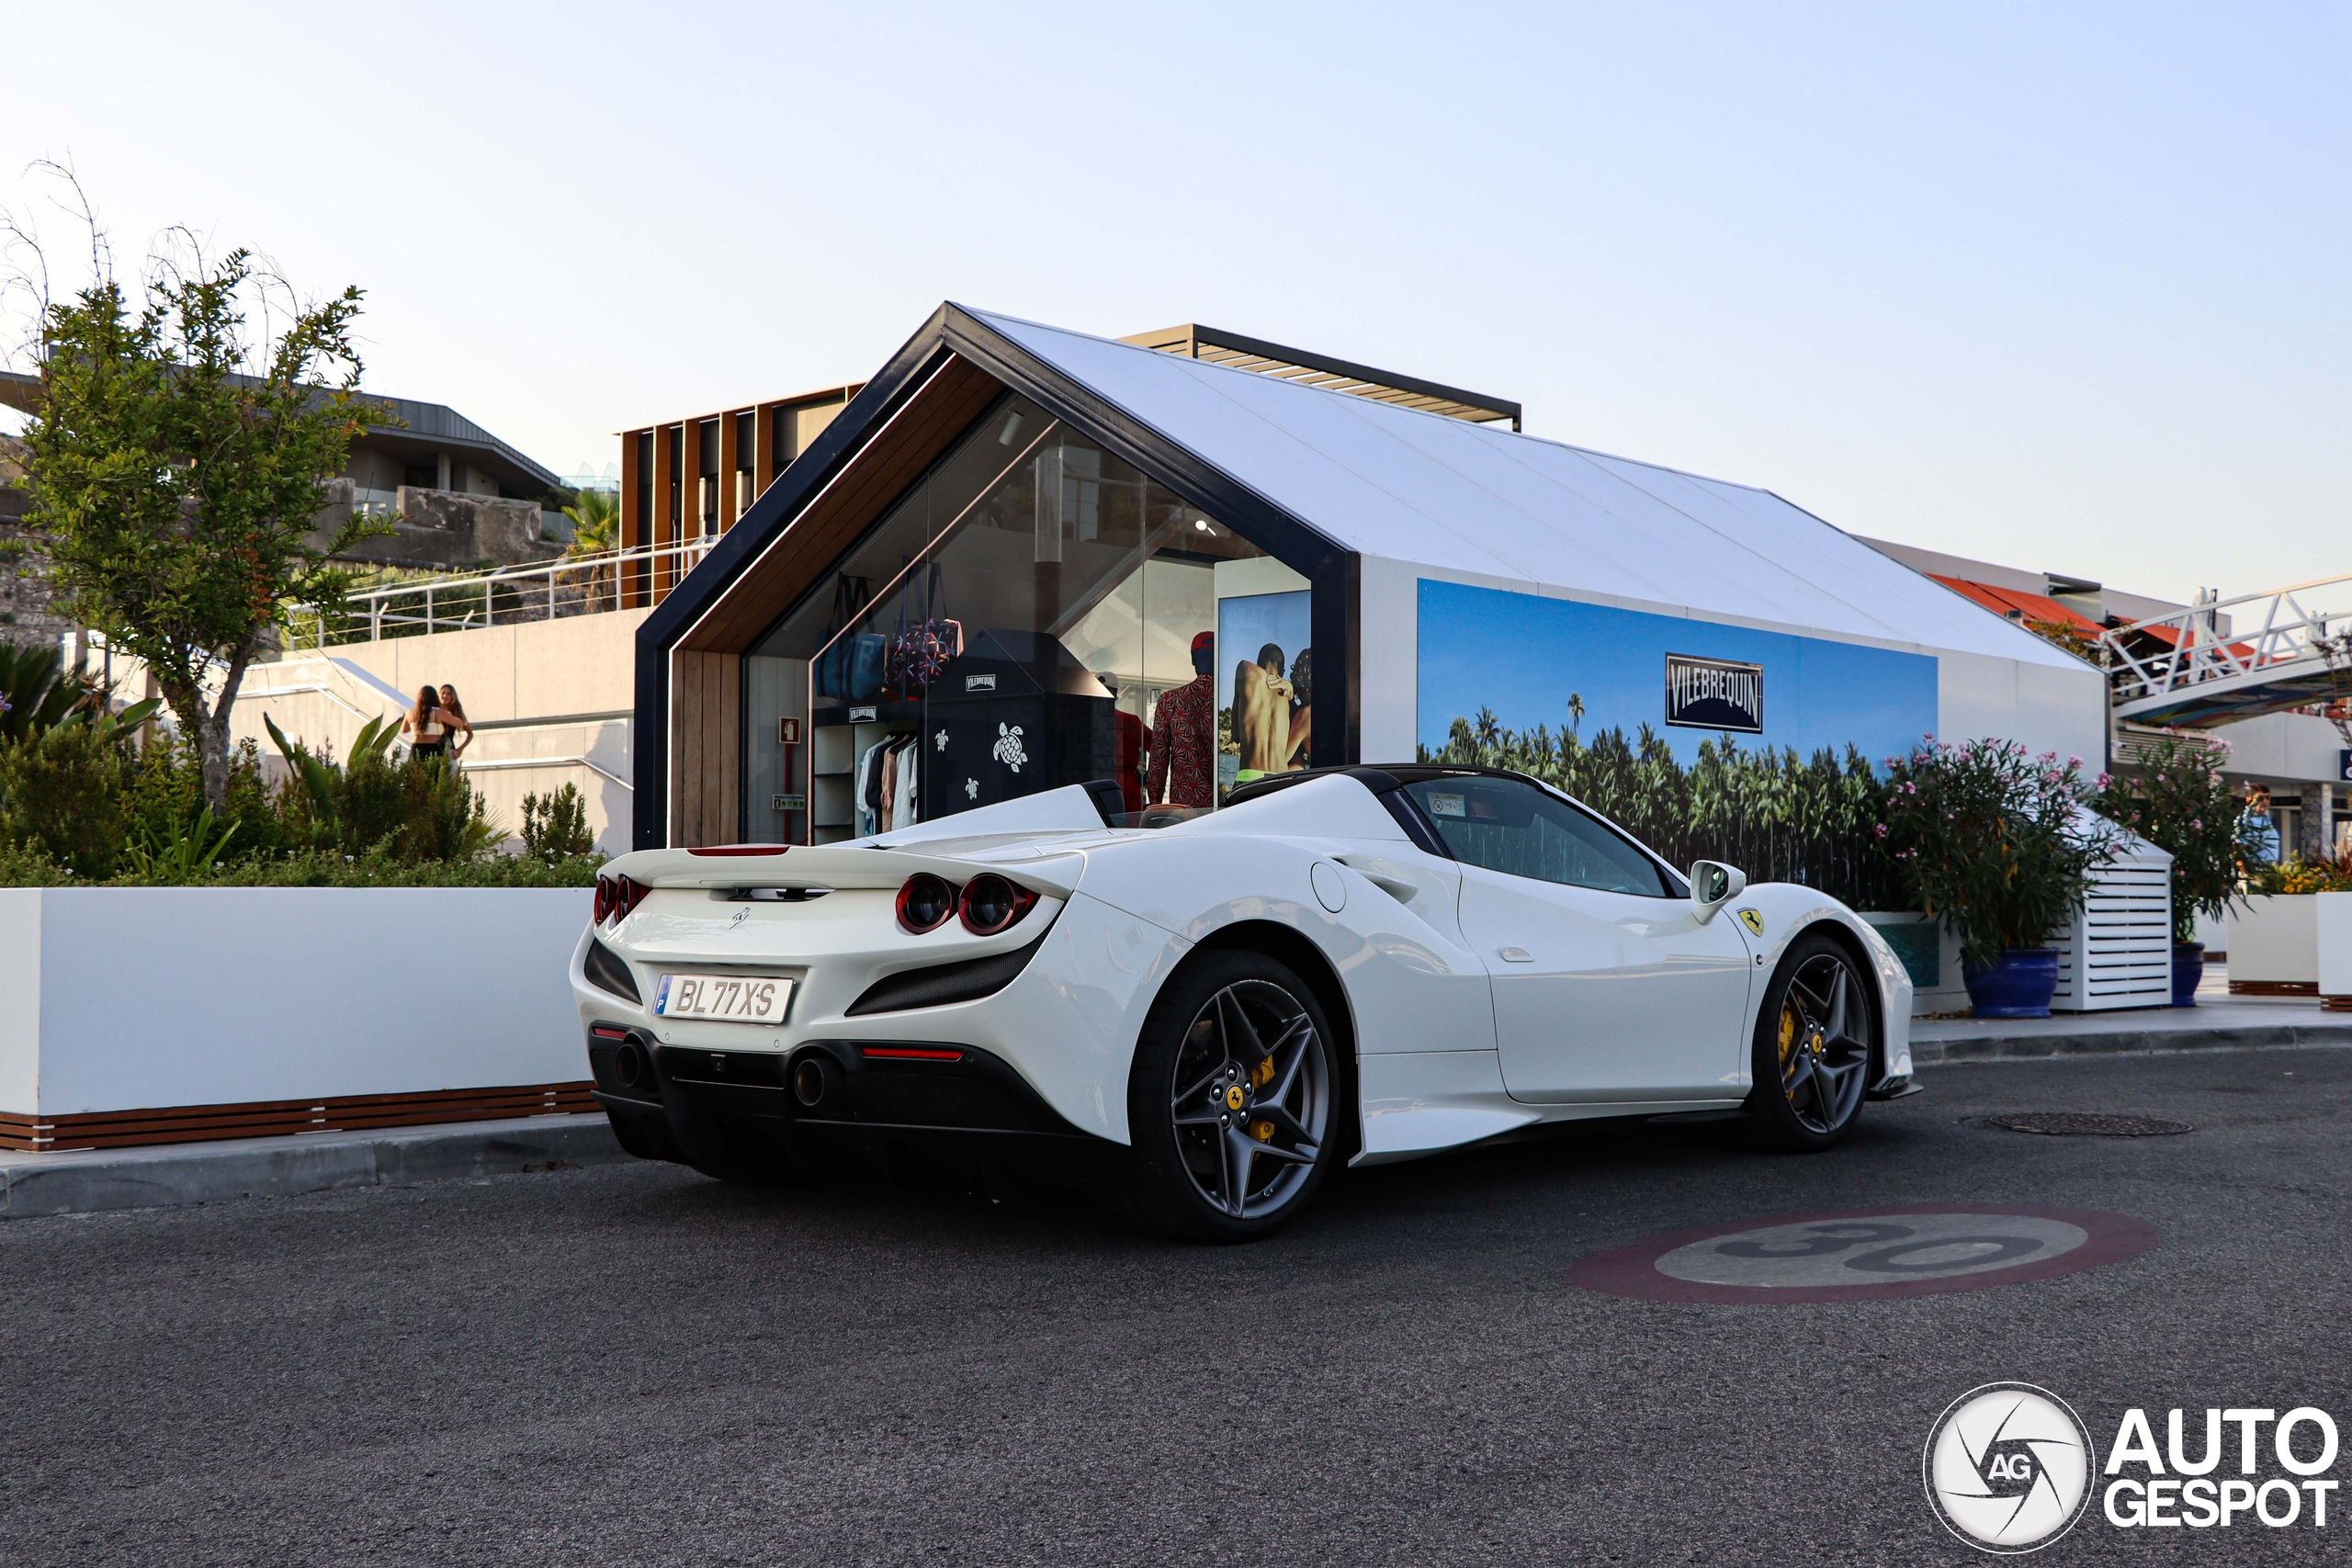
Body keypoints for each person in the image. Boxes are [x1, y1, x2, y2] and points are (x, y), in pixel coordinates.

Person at [1146, 631, 1216, 808]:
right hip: (1227, 804)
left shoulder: (1170, 701)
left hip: (1185, 807)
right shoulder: (1229, 699)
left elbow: (1158, 762)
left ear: (1193, 660)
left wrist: (1155, 805)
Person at [1232, 643, 1295, 782]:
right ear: (1282, 671)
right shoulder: (1287, 695)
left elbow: (1235, 734)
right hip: (1281, 778)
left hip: (1251, 776)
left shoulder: (1245, 669)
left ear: (1258, 663)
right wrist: (1291, 692)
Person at [401, 685, 463, 761]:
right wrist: (449, 715)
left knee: (416, 771)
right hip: (433, 747)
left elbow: (404, 729)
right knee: (434, 771)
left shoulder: (410, 712)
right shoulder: (438, 712)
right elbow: (459, 724)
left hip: (416, 747)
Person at [2245, 783, 2281, 866]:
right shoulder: (2247, 821)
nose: (2265, 801)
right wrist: (2248, 875)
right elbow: (2238, 851)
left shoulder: (2266, 819)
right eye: (2260, 798)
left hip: (2269, 869)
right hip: (2255, 870)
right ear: (2249, 799)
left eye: (2267, 798)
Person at [437, 683, 475, 760]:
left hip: (449, 751)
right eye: (443, 693)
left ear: (452, 697)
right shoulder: (434, 710)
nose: (445, 696)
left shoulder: (457, 712)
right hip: (433, 750)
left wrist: (460, 749)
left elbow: (470, 733)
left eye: (448, 694)